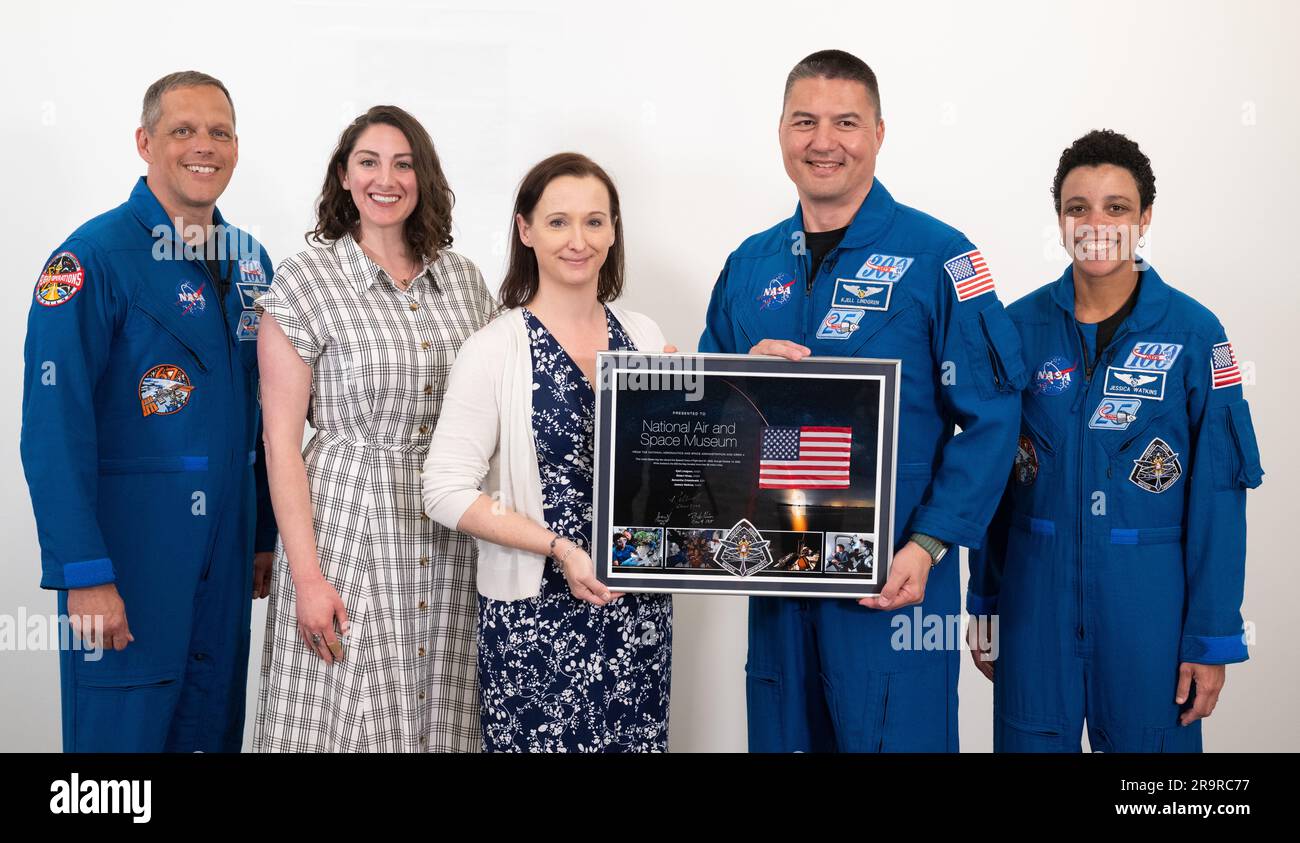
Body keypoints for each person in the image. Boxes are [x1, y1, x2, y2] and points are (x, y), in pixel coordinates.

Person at [699, 50, 1026, 752]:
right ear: (780, 131)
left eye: (846, 122)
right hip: (778, 589)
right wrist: (734, 377)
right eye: (805, 121)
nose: (825, 141)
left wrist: (931, 542)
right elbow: (702, 425)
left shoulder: (941, 258)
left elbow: (993, 415)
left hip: (892, 585)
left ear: (879, 132)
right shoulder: (748, 265)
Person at [967, 130, 1263, 752]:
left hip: (1149, 611)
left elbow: (1218, 496)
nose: (1096, 223)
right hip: (1033, 605)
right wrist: (986, 603)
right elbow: (991, 483)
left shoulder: (1195, 334)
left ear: (1145, 218)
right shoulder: (1016, 329)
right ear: (1059, 220)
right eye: (1078, 208)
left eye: (1116, 207)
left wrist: (1209, 639)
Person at [20, 71, 277, 752]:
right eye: (183, 130)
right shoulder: (91, 259)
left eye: (219, 132)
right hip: (131, 560)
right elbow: (52, 428)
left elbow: (260, 407)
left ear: (236, 146)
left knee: (210, 726)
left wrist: (264, 532)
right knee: (121, 754)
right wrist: (83, 572)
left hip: (225, 558)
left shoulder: (252, 263)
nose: (204, 146)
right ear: (145, 141)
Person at [252, 106, 494, 752]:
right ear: (343, 175)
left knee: (441, 708)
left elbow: (506, 392)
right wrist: (306, 577)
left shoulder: (465, 281)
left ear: (425, 176)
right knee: (345, 712)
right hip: (345, 526)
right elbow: (280, 443)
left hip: (447, 531)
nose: (385, 178)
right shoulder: (305, 279)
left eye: (403, 162)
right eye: (368, 161)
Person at [423, 152, 674, 752]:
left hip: (635, 611)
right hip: (535, 616)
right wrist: (560, 549)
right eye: (558, 221)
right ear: (525, 230)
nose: (578, 240)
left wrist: (748, 386)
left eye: (595, 221)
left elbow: (681, 469)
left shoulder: (644, 337)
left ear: (613, 232)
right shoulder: (494, 349)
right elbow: (444, 490)